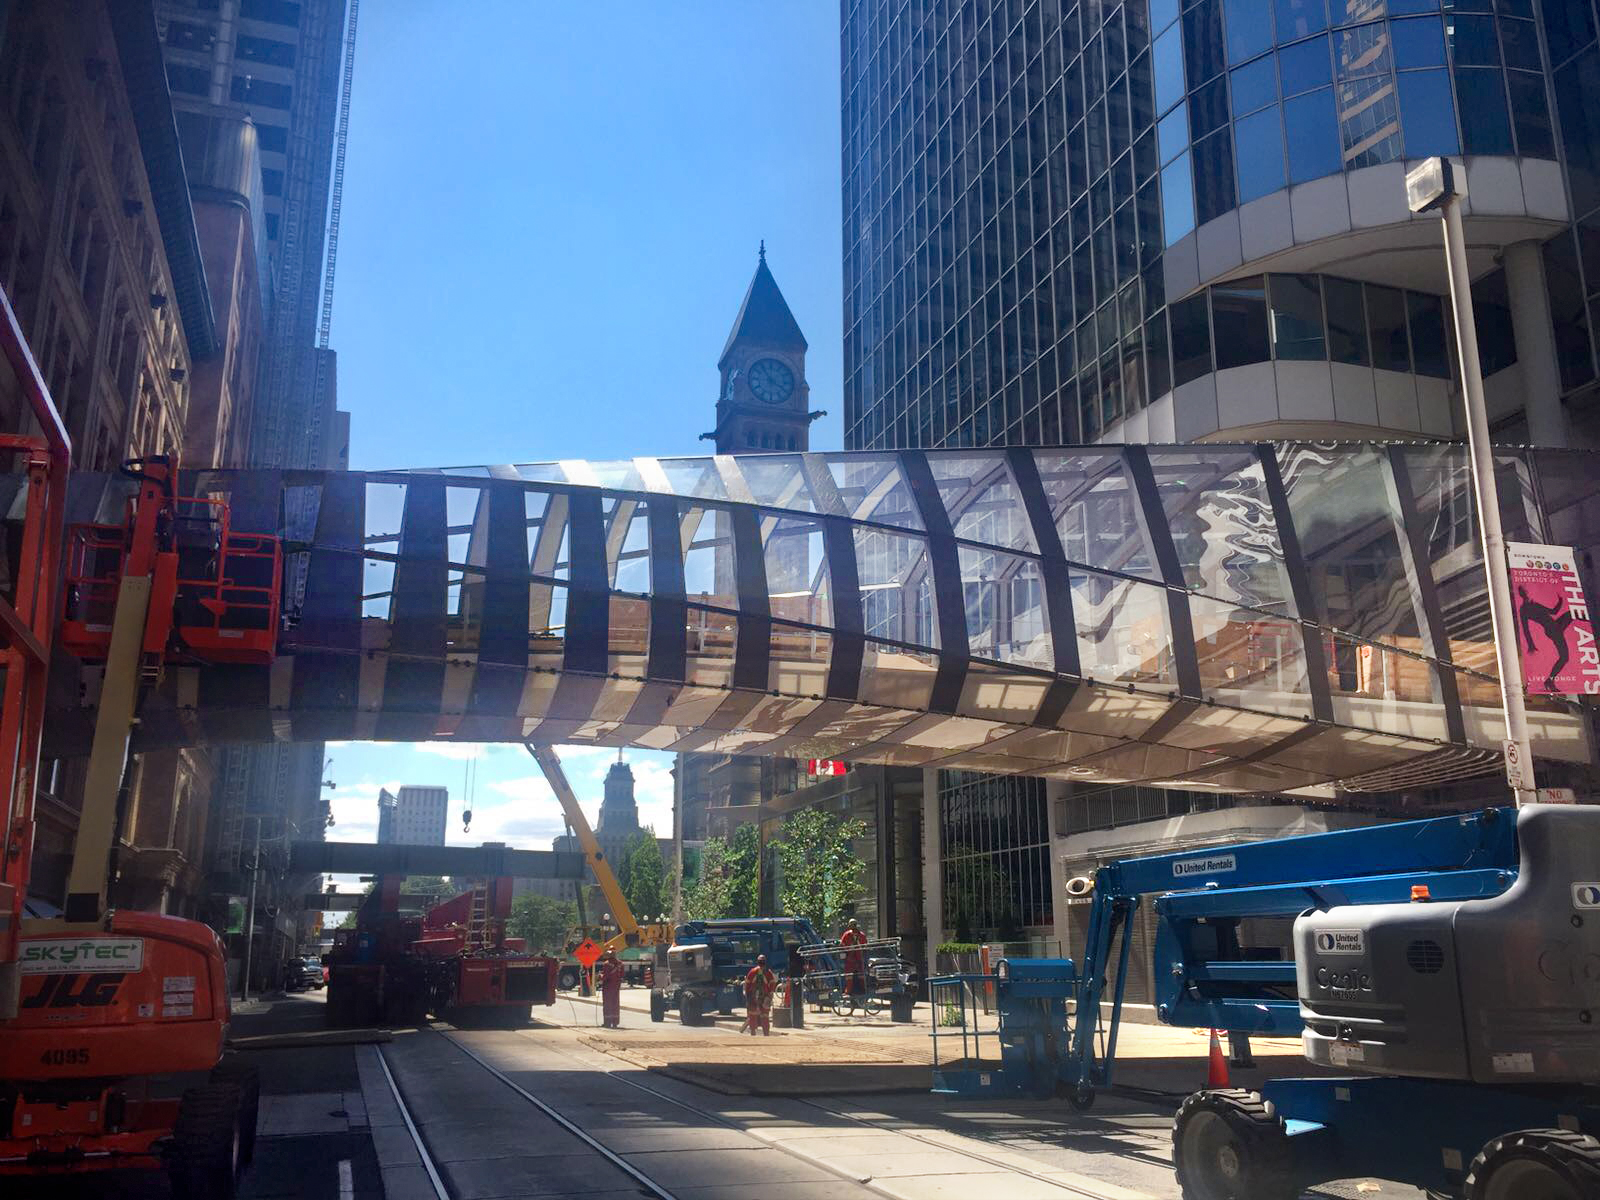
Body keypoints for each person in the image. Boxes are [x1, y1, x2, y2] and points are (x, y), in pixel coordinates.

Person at [1518, 585, 1576, 692]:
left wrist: (1560, 601)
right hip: (1552, 630)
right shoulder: (1524, 610)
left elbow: (1554, 612)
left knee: (1573, 613)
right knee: (1564, 657)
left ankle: (1549, 681)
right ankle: (1549, 680)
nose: (1526, 593)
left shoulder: (1534, 604)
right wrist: (1531, 644)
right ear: (1522, 594)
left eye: (1525, 591)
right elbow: (1525, 629)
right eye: (1523, 591)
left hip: (1556, 625)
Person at [743, 954, 778, 1036]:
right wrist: (770, 994)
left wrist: (747, 996)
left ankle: (753, 1032)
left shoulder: (753, 971)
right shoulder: (768, 972)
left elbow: (747, 985)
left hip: (753, 997)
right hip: (764, 997)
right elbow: (772, 984)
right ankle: (766, 1034)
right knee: (764, 1016)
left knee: (752, 1015)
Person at [597, 950, 625, 1029]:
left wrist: (600, 976)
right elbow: (622, 975)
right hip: (616, 987)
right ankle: (615, 1022)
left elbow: (605, 976)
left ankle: (607, 1023)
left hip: (608, 987)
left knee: (607, 1005)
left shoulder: (606, 964)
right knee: (615, 1004)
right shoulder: (621, 964)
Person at [840, 918, 868, 996]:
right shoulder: (847, 935)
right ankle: (849, 991)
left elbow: (865, 946)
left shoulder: (861, 935)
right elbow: (842, 946)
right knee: (850, 976)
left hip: (857, 958)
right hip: (851, 958)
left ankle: (862, 990)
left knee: (860, 975)